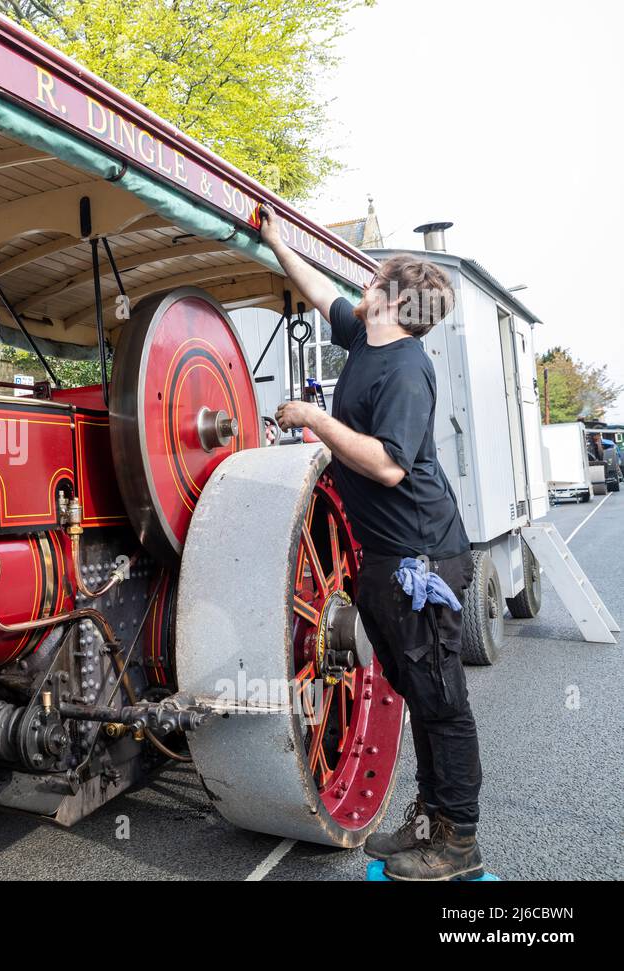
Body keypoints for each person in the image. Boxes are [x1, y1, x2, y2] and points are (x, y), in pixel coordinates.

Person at [257, 203, 484, 881]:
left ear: (393, 302)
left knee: (441, 701)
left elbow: (387, 464)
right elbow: (318, 292)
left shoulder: (406, 369)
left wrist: (314, 418)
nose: (364, 284)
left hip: (424, 560)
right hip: (387, 558)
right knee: (417, 692)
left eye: (376, 281)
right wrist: (276, 241)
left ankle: (458, 842)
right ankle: (429, 820)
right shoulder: (364, 338)